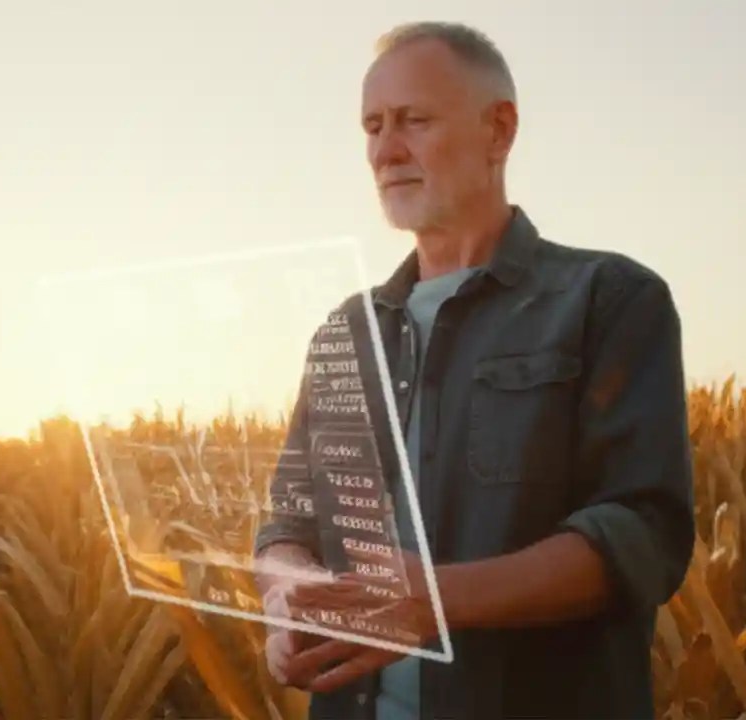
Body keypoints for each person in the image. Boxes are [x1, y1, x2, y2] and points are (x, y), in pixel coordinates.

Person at [253, 20, 695, 720]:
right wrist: (289, 597)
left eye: (413, 121)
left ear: (499, 130)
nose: (384, 151)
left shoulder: (610, 299)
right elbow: (287, 520)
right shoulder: (345, 331)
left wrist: (434, 601)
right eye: (372, 126)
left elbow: (643, 534)